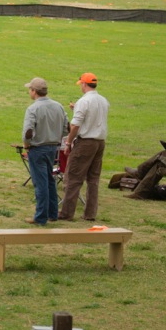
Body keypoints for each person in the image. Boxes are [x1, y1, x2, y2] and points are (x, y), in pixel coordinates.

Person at [59, 73, 109, 222]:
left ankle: (66, 213)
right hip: (100, 142)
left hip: (86, 142)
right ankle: (90, 213)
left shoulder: (84, 101)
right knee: (93, 179)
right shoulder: (103, 100)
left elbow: (75, 126)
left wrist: (68, 142)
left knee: (73, 177)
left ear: (84, 84)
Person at [21, 77, 68, 226]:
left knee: (40, 183)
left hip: (38, 148)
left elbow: (28, 131)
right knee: (49, 181)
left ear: (34, 91)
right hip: (53, 147)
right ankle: (53, 213)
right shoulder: (58, 106)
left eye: (30, 89)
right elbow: (67, 128)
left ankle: (41, 217)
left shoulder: (33, 108)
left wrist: (26, 145)